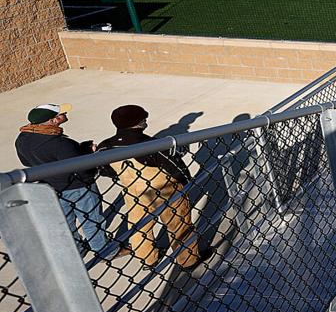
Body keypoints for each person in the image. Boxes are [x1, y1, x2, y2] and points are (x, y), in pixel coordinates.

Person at [96, 105, 204, 269]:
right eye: (143, 118)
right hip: (165, 188)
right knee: (178, 224)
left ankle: (148, 259)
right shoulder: (151, 144)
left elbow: (104, 170)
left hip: (133, 190)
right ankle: (187, 260)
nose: (145, 120)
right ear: (137, 123)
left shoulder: (105, 146)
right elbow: (175, 167)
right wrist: (186, 182)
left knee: (139, 226)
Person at [15, 104, 121, 260]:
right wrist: (89, 153)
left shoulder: (22, 139)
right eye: (61, 113)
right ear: (53, 120)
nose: (64, 113)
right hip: (79, 187)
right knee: (92, 220)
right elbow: (81, 168)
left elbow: (26, 162)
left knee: (66, 222)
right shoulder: (60, 143)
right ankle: (104, 251)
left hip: (52, 187)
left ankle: (77, 249)